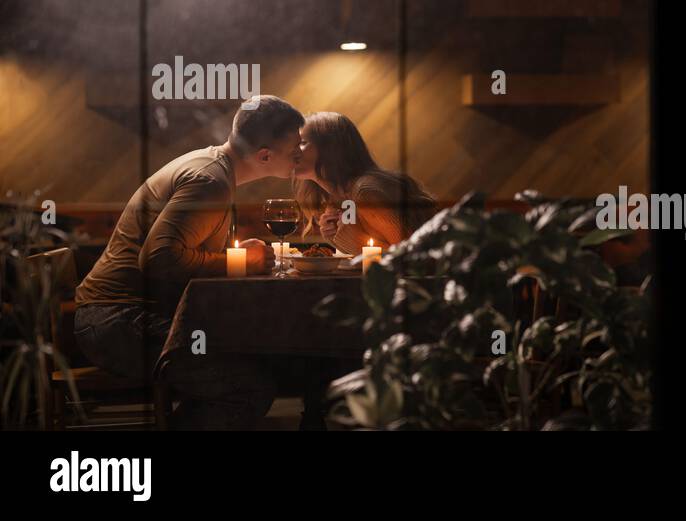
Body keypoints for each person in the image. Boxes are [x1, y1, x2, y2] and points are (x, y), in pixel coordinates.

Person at [74, 95, 304, 430]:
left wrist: (238, 258)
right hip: (116, 323)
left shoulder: (213, 168)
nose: (300, 155)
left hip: (120, 317)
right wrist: (238, 264)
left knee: (247, 360)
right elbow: (157, 259)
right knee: (248, 386)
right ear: (265, 156)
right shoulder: (210, 182)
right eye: (295, 149)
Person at [293, 112, 436, 254]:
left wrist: (351, 238)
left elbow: (413, 257)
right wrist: (335, 235)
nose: (293, 151)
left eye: (302, 143)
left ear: (331, 149)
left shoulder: (367, 192)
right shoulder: (338, 197)